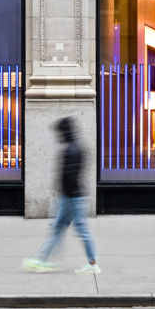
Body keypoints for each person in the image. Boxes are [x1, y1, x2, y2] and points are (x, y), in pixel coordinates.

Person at [23, 117, 100, 274]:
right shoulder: (77, 147)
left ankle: (92, 263)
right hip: (72, 196)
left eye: (60, 132)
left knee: (77, 229)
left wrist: (64, 196)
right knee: (59, 228)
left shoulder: (71, 149)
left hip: (72, 198)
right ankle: (42, 259)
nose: (58, 135)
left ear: (65, 131)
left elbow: (69, 177)